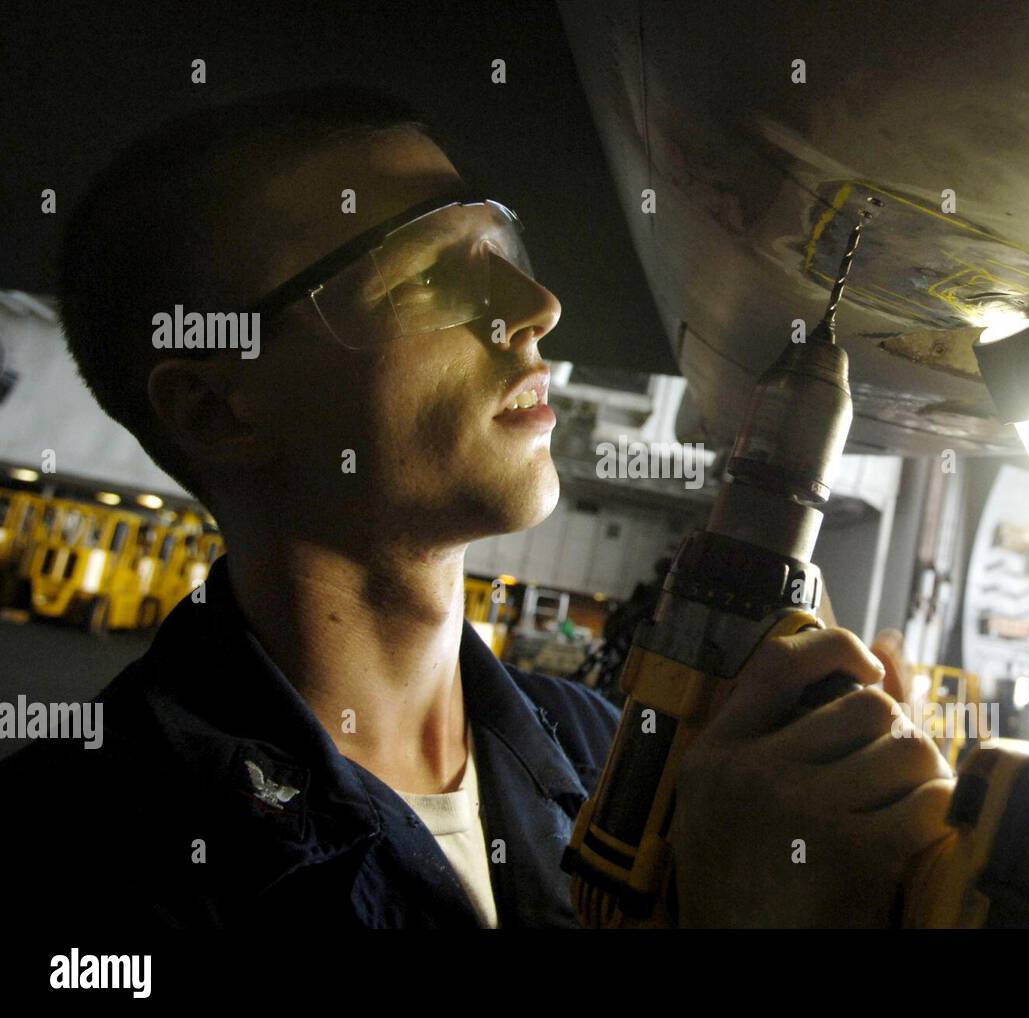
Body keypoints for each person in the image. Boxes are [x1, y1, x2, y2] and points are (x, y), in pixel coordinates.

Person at [0, 85, 953, 928]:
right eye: (428, 275)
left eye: (500, 248)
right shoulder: (79, 856)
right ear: (219, 409)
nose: (536, 305)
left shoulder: (594, 750)